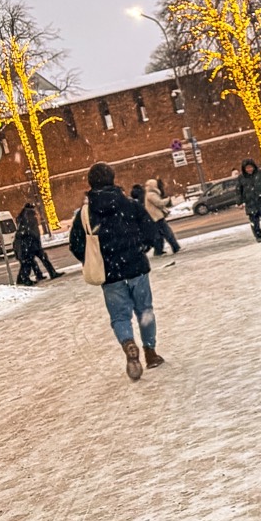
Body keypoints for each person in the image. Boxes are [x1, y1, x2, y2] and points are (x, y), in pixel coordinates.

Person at [68, 163, 164, 380]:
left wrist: (93, 259)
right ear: (113, 179)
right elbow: (150, 229)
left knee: (120, 316)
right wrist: (143, 247)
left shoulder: (85, 213)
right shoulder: (130, 205)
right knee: (145, 310)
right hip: (136, 268)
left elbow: (75, 243)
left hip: (110, 274)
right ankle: (150, 352)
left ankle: (128, 342)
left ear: (90, 183)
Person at [13, 202, 60, 283]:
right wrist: (35, 239)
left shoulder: (23, 216)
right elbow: (32, 231)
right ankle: (51, 273)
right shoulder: (29, 215)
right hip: (32, 243)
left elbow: (26, 230)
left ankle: (32, 276)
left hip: (28, 244)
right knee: (40, 259)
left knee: (29, 261)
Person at [144, 177, 181, 255]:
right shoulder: (151, 194)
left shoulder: (149, 194)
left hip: (154, 218)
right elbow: (159, 203)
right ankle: (175, 247)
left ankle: (159, 251)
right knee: (167, 233)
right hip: (157, 217)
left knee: (159, 236)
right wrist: (167, 200)